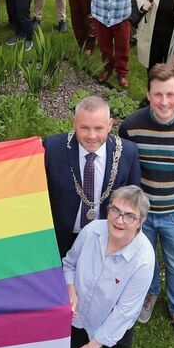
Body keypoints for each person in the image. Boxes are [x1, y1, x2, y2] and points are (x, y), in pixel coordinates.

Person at [41, 186, 155, 348]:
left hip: (113, 324)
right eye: (115, 210)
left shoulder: (144, 260)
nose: (119, 220)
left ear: (140, 221)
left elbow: (124, 313)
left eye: (129, 215)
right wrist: (71, 290)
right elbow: (69, 263)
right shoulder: (92, 231)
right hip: (78, 313)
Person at [119, 64, 174, 345]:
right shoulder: (130, 127)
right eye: (158, 94)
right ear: (148, 93)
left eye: (170, 94)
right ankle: (151, 292)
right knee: (146, 261)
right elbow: (125, 166)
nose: (164, 102)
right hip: (141, 216)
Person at [42, 96, 142, 256]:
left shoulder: (127, 153)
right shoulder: (53, 148)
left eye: (98, 128)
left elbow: (134, 200)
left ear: (110, 125)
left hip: (106, 238)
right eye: (84, 128)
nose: (91, 136)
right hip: (61, 238)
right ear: (74, 122)